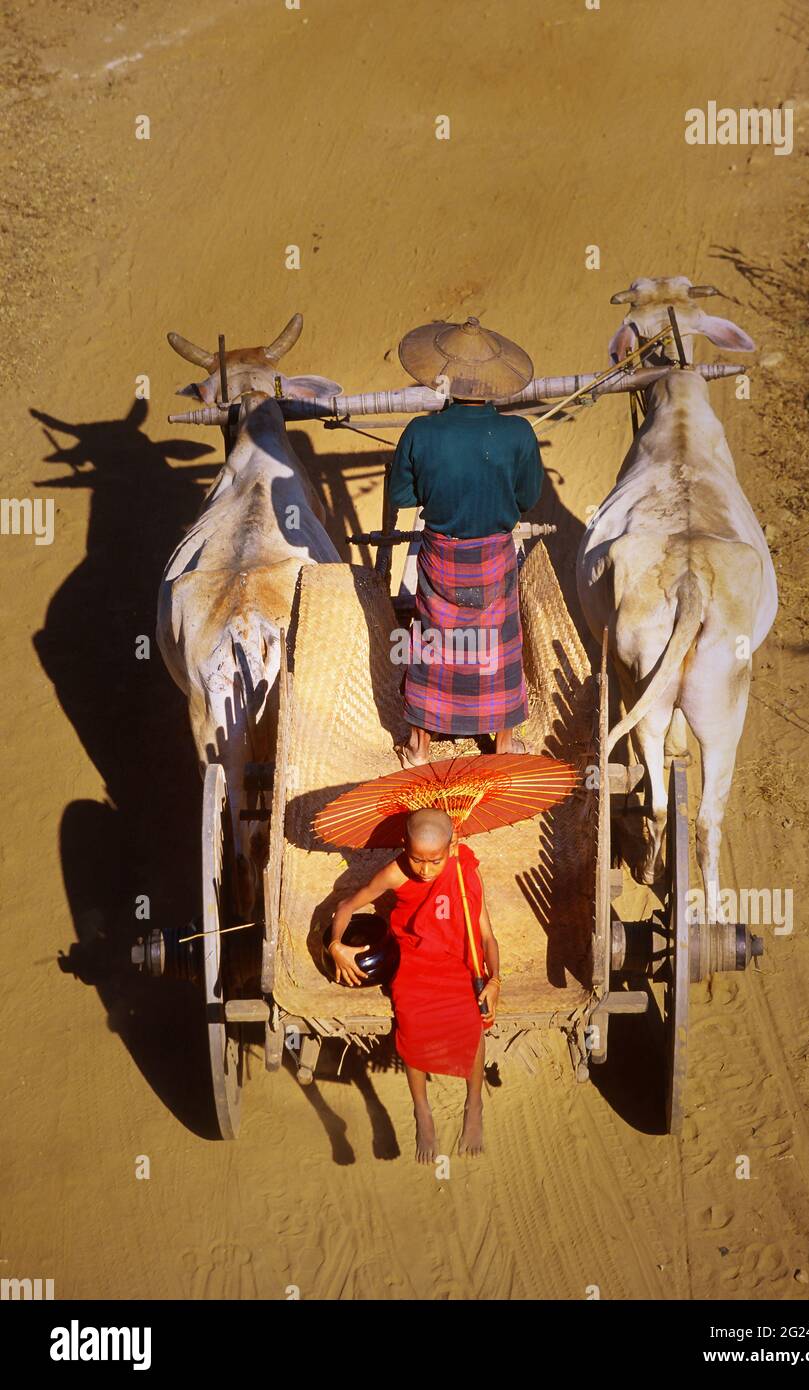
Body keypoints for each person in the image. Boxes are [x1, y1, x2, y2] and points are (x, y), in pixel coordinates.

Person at [388, 316, 544, 766]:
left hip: (441, 554)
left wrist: (435, 487)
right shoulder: (518, 434)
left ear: (445, 376)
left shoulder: (420, 432)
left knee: (431, 638)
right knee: (498, 640)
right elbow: (528, 497)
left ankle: (418, 745)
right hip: (494, 553)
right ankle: (505, 743)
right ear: (496, 380)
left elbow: (401, 495)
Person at [328, 808, 500, 1162]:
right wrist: (335, 946)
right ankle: (421, 1110)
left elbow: (486, 936)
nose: (424, 870)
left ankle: (474, 1102)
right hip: (414, 958)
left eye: (434, 861)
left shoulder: (465, 870)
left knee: (473, 1018)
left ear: (451, 848)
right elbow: (347, 906)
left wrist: (495, 979)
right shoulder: (395, 872)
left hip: (457, 960)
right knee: (412, 1020)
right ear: (404, 845)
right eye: (416, 859)